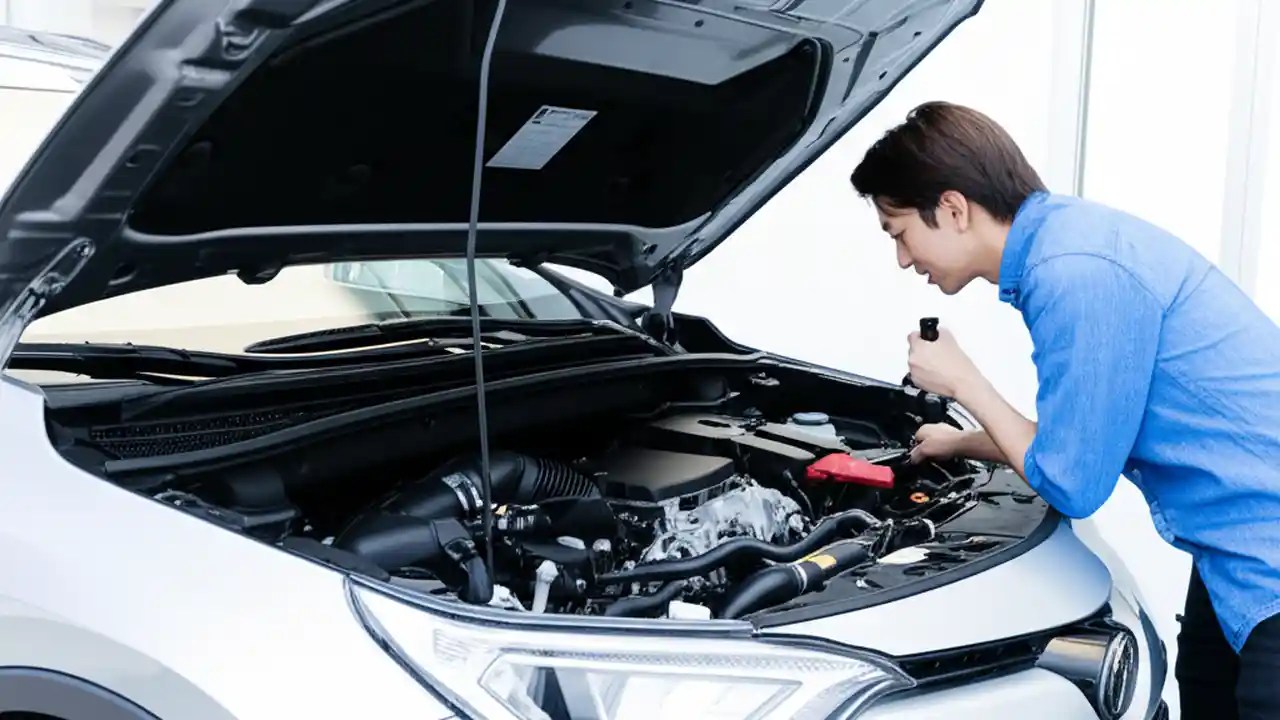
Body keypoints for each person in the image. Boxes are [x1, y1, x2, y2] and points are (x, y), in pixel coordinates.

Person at [849, 100, 1280, 718]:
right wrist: (959, 442)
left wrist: (965, 382)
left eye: (898, 233)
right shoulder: (1070, 241)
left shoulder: (1075, 273)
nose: (902, 258)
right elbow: (1079, 438)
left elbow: (1074, 483)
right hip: (1235, 550)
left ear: (953, 209)